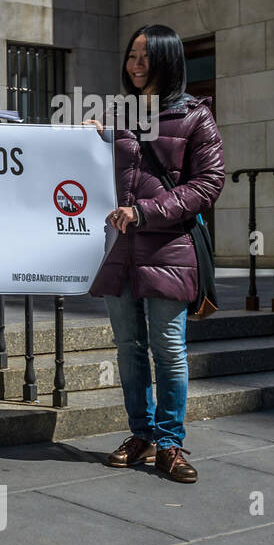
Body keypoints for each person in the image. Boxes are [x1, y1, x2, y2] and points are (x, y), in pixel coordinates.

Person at [89, 25, 224, 482]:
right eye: (131, 56)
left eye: (146, 57)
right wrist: (89, 140)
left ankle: (170, 443)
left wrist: (145, 212)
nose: (136, 65)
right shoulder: (118, 114)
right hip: (118, 251)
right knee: (129, 348)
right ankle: (141, 434)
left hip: (168, 248)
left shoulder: (194, 117)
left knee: (168, 350)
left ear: (168, 61)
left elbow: (208, 183)